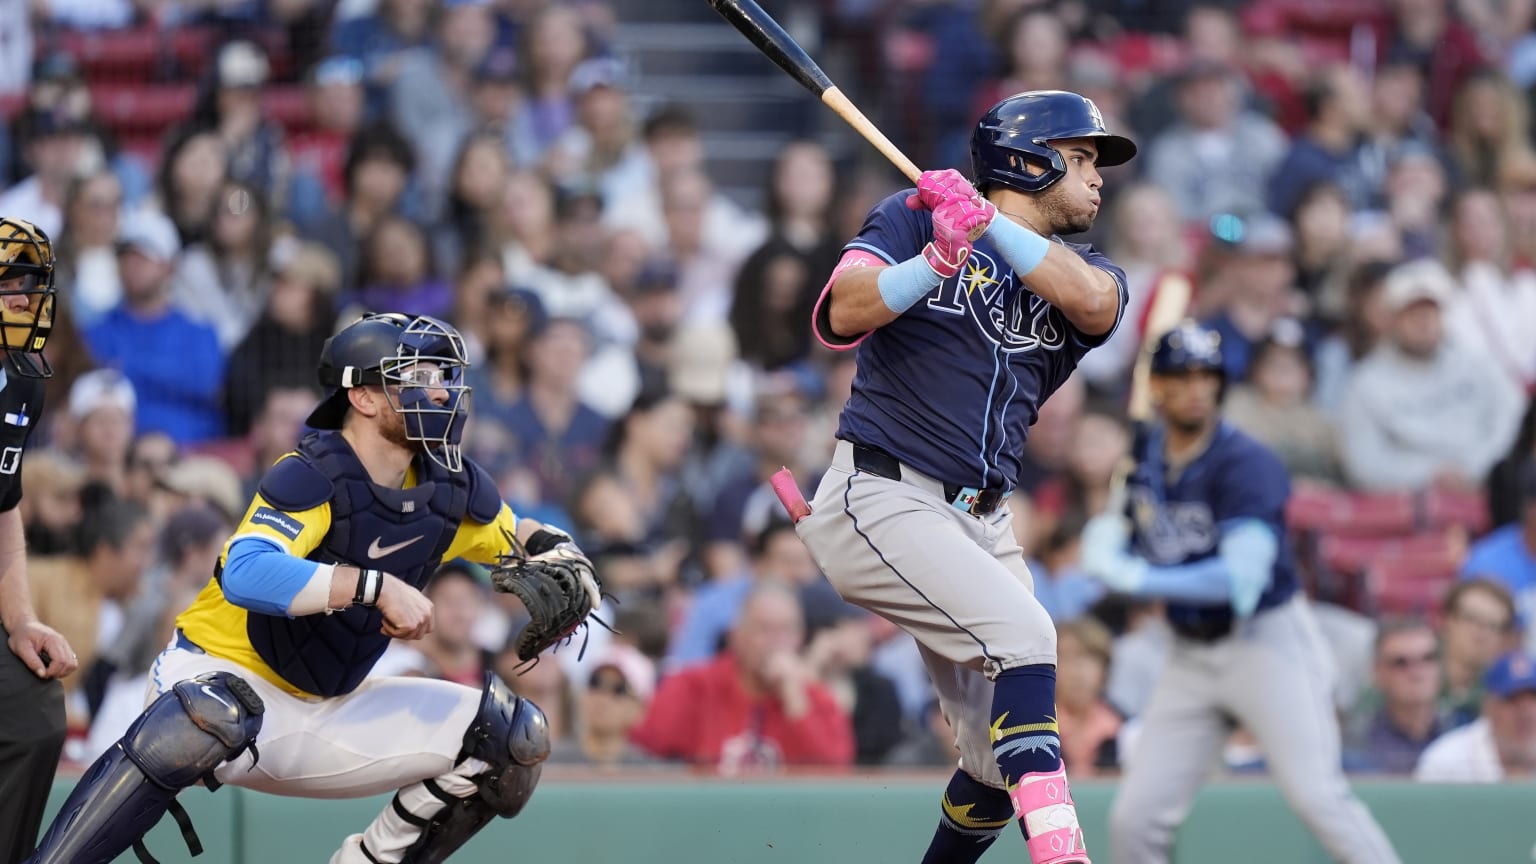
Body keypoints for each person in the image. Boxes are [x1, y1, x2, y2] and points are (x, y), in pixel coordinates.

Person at [26, 313, 602, 864]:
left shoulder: (449, 488)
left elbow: (516, 534)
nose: (440, 391)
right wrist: (374, 587)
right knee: (205, 716)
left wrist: (563, 553)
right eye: (418, 376)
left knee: (514, 737)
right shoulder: (313, 472)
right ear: (364, 396)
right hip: (217, 680)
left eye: (444, 376)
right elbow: (247, 571)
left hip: (329, 707)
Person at [794, 90, 1137, 864]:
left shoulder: (1086, 268)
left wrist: (990, 227)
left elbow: (1092, 303)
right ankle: (1063, 855)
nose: (1097, 178)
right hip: (882, 493)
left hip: (983, 520)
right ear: (1029, 160)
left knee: (990, 764)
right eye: (1080, 159)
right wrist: (935, 260)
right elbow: (842, 311)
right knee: (1029, 636)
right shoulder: (914, 216)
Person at [1080, 322, 1400, 863]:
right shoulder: (1144, 458)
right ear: (1157, 386)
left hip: (1267, 644)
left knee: (1320, 798)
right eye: (1181, 377)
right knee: (1135, 819)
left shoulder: (1247, 462)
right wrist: (1110, 530)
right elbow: (1137, 528)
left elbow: (1240, 584)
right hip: (1188, 653)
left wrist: (1135, 578)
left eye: (1207, 377)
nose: (1196, 389)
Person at [0, 217, 79, 864]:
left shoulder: (22, 381)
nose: (23, 299)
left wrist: (22, 618)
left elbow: (4, 504)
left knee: (36, 716)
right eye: (7, 285)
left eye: (28, 284)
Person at [1414, 649, 1536, 782]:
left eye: (1534, 699)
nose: (1527, 713)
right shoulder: (1446, 761)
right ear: (1489, 707)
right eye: (1513, 700)